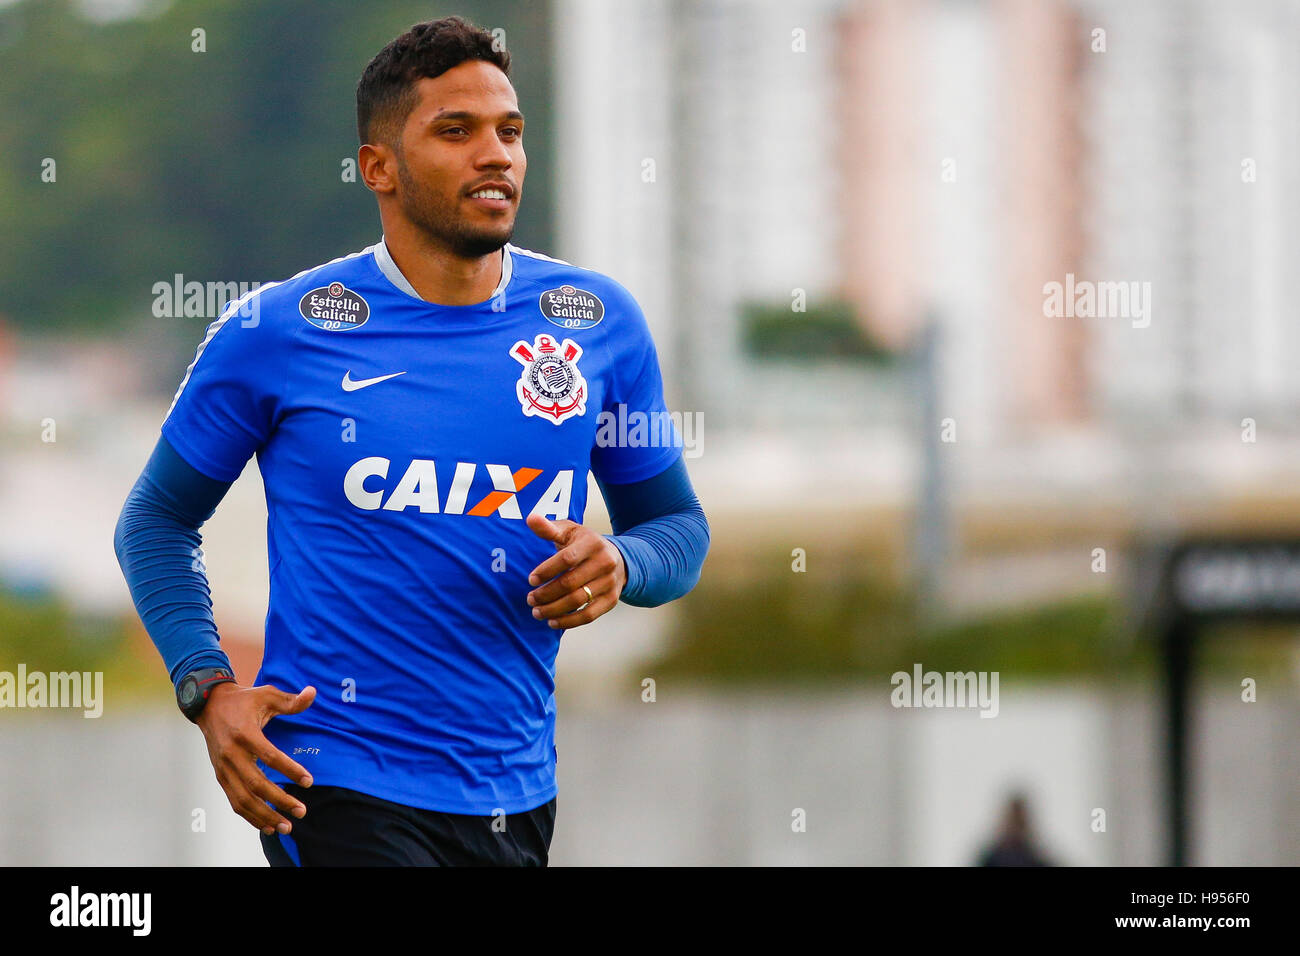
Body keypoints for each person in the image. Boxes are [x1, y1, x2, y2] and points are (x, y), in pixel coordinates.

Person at [113, 16, 710, 867]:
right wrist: (208, 690)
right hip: (333, 781)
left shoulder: (598, 323)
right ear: (379, 167)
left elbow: (679, 530)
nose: (495, 154)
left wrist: (621, 563)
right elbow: (155, 525)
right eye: (456, 132)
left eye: (510, 131)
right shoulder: (278, 331)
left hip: (514, 794)